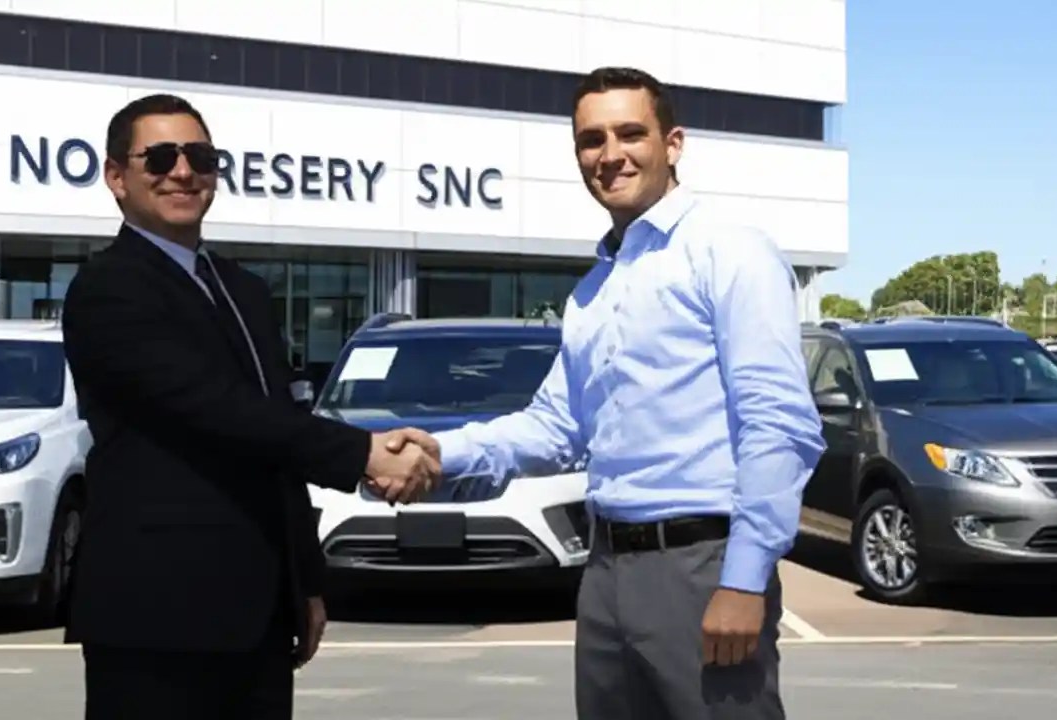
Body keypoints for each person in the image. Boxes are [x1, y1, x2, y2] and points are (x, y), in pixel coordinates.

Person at [385, 67, 826, 719]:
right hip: (605, 575)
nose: (610, 154)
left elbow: (780, 426)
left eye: (629, 133)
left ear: (672, 143)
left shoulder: (729, 252)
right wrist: (439, 454)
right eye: (591, 139)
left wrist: (744, 578)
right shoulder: (594, 290)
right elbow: (554, 428)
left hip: (702, 567)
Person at [59, 93, 439, 719]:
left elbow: (278, 433)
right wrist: (364, 453)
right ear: (116, 177)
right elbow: (216, 411)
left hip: (257, 617)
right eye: (159, 157)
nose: (183, 172)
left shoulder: (244, 290)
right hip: (155, 617)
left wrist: (307, 583)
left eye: (200, 157)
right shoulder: (108, 289)